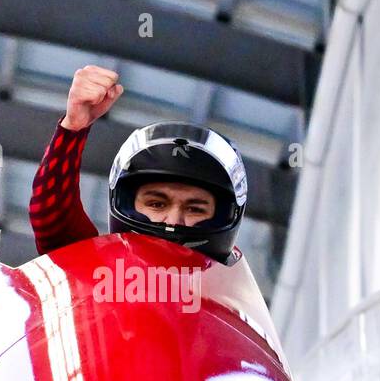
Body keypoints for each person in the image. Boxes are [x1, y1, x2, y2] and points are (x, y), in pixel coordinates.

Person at [29, 65, 248, 264]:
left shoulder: (237, 294)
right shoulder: (96, 272)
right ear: (127, 203)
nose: (173, 221)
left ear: (222, 215)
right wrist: (73, 129)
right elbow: (54, 223)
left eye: (195, 209)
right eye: (156, 204)